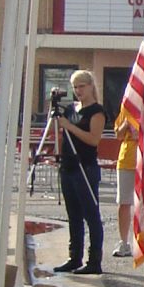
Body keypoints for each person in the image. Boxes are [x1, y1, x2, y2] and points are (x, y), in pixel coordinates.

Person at [52, 69, 106, 275]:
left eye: (81, 86)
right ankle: (74, 256)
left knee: (90, 213)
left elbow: (93, 139)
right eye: (75, 87)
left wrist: (70, 127)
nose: (78, 91)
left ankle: (94, 260)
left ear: (91, 86)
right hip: (68, 166)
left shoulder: (96, 111)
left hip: (86, 167)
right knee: (73, 214)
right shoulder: (71, 110)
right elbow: (59, 132)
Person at [112, 95, 137, 256]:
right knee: (124, 202)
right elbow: (118, 134)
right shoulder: (127, 105)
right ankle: (124, 242)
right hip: (126, 158)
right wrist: (126, 125)